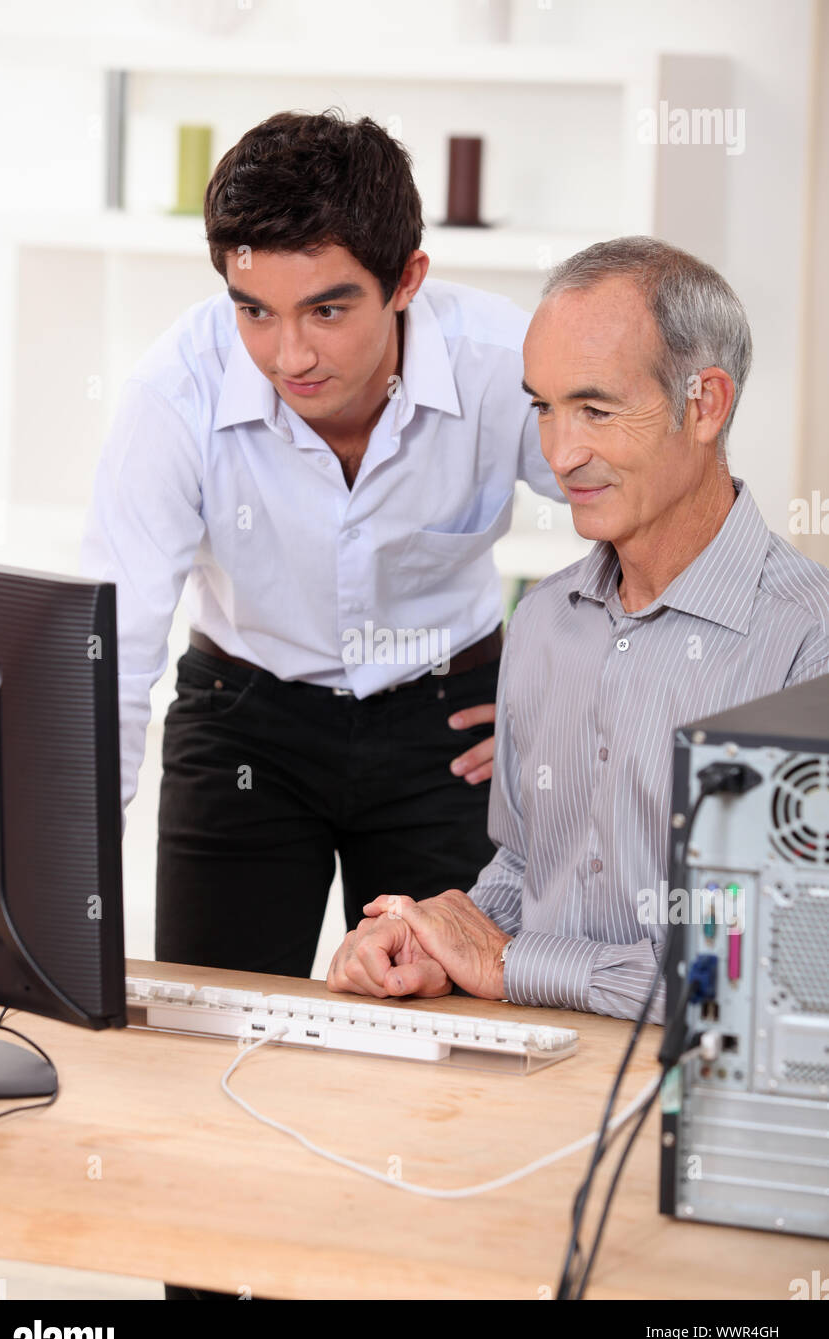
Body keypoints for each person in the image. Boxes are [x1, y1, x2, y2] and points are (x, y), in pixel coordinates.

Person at [78, 109, 562, 1299]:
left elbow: (642, 515)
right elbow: (114, 647)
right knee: (207, 1056)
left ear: (407, 280)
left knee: (452, 1067)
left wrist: (567, 697)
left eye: (327, 308)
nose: (287, 353)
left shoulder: (508, 362)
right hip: (244, 720)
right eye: (254, 309)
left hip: (446, 727)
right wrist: (63, 885)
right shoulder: (174, 390)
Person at [326, 236, 829, 1021]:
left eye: (595, 409)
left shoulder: (808, 648)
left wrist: (509, 962)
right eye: (543, 407)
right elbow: (527, 867)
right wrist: (429, 941)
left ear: (705, 405)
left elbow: (784, 972)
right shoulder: (542, 622)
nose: (560, 454)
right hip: (524, 1082)